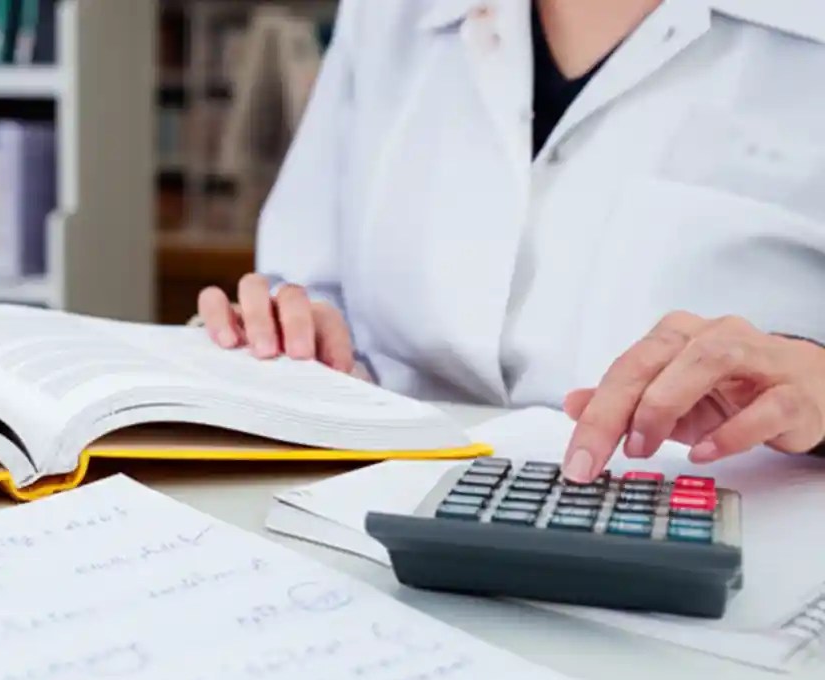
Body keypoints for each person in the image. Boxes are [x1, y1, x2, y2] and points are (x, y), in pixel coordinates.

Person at [197, 0, 825, 482]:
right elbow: (309, 284)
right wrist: (298, 338)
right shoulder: (388, 15)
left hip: (716, 562)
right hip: (374, 524)